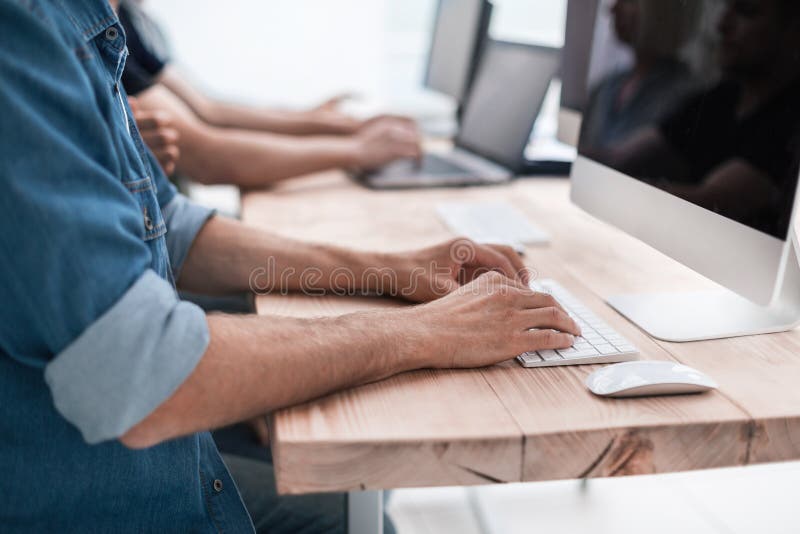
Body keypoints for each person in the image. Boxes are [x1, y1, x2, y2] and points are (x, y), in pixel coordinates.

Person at [0, 1, 581, 532]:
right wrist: (431, 331)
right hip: (90, 500)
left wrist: (390, 270)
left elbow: (168, 225)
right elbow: (144, 372)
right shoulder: (27, 33)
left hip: (136, 464)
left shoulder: (78, 24)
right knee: (351, 516)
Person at [117, 0, 422, 187]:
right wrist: (356, 150)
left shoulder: (125, 19)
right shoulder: (97, 32)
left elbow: (209, 109)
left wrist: (341, 126)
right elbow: (206, 155)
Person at [596, 0, 800, 239]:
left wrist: (604, 187)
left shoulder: (790, 117)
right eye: (726, 10)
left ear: (794, 32)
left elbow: (710, 199)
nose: (721, 25)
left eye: (746, 12)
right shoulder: (723, 97)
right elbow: (620, 156)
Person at [579, 0, 701, 155]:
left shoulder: (689, 98)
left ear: (662, 11)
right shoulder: (604, 87)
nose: (613, 8)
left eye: (629, 1)